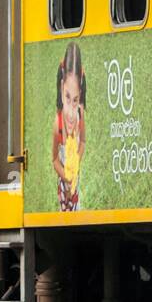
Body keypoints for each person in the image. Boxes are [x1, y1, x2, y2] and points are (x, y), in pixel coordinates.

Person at [51, 42, 86, 212]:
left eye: (75, 100)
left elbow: (83, 143)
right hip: (64, 187)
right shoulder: (57, 124)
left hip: (75, 184)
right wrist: (66, 175)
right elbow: (54, 159)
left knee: (77, 210)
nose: (71, 108)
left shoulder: (80, 118)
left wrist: (76, 162)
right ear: (61, 87)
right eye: (67, 97)